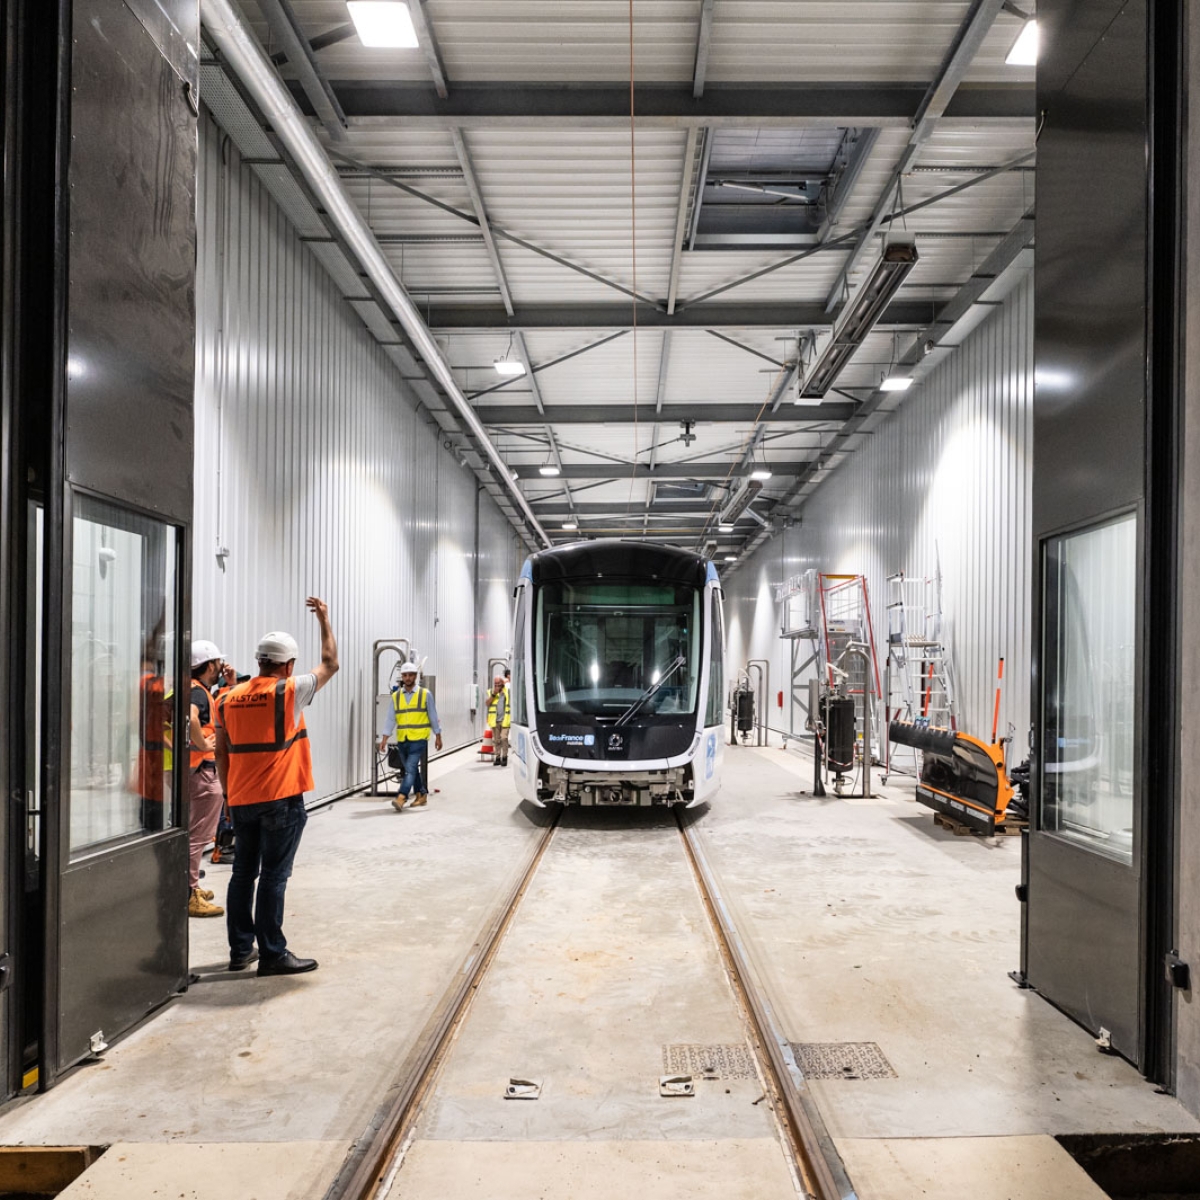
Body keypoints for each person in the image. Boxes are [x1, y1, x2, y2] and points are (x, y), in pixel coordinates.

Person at [215, 597, 338, 976]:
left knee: (242, 874)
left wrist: (228, 798)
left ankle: (240, 950)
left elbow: (221, 754)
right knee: (273, 876)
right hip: (281, 800)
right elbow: (331, 663)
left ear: (259, 661)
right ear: (288, 664)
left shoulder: (226, 697)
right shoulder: (288, 690)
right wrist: (324, 619)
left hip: (241, 799)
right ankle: (272, 953)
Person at [187, 640, 227, 918]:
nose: (221, 668)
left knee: (192, 834)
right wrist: (202, 744)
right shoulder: (199, 693)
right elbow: (191, 720)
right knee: (198, 837)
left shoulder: (186, 688)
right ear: (209, 665)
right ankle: (189, 893)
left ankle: (189, 887)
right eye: (218, 663)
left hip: (191, 773)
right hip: (203, 772)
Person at [378, 663, 442, 811]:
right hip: (403, 739)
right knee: (411, 769)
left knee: (410, 769)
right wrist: (385, 739)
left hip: (419, 739)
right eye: (405, 675)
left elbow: (433, 716)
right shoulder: (396, 696)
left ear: (415, 676)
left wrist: (438, 735)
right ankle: (422, 794)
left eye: (410, 675)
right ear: (402, 677)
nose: (407, 678)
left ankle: (402, 797)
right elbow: (390, 718)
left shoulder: (425, 694)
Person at [486, 675, 510, 767]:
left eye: (498, 684)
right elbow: (487, 703)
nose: (497, 686)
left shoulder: (507, 692)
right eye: (495, 684)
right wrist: (493, 694)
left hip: (505, 720)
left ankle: (504, 757)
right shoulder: (490, 692)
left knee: (504, 738)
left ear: (502, 684)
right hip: (495, 720)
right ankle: (497, 757)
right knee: (497, 740)